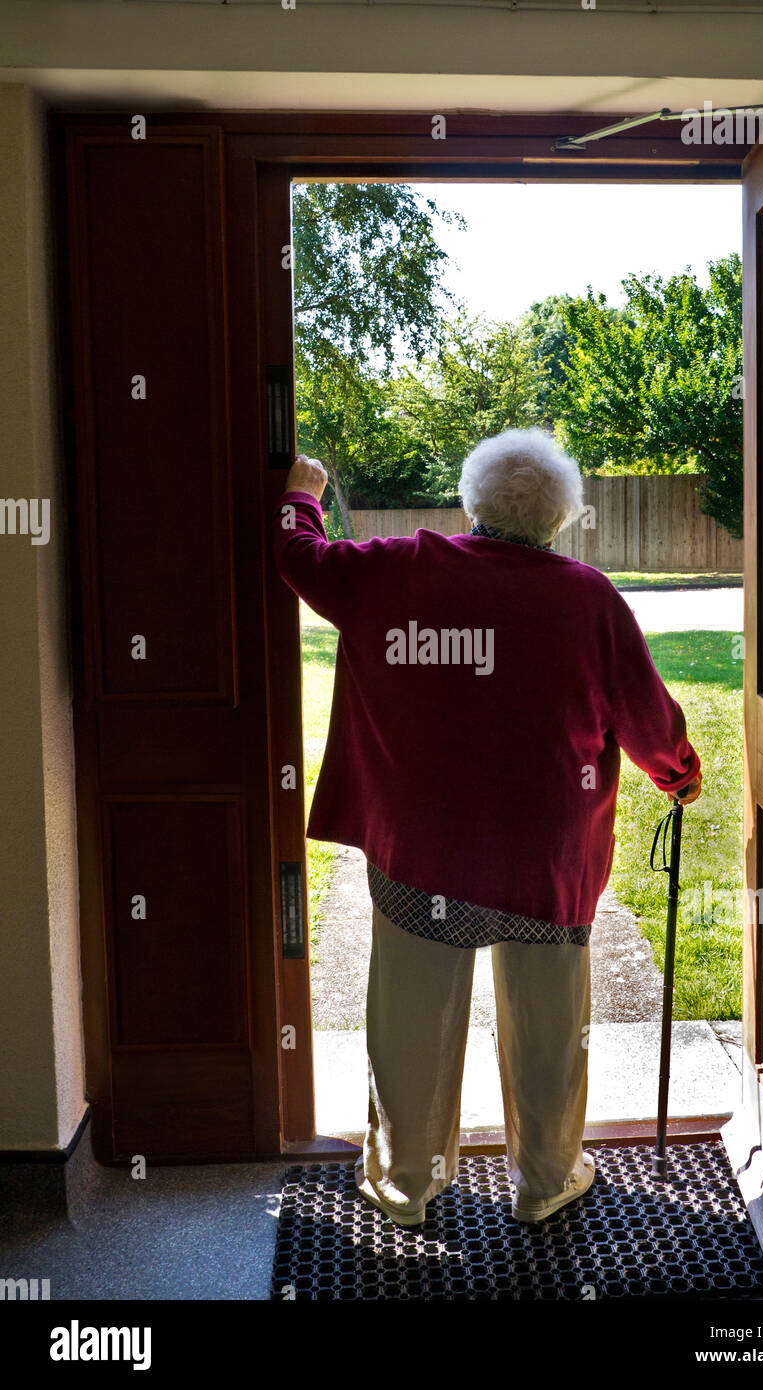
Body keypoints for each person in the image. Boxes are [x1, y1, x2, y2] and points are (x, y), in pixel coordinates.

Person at [273, 427, 702, 1227]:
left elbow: (299, 557)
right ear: (560, 517)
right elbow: (649, 721)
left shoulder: (396, 570)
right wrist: (680, 775)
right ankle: (546, 1183)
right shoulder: (588, 598)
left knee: (409, 1026)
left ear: (471, 500)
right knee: (546, 1032)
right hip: (545, 861)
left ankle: (406, 1184)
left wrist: (302, 489)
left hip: (421, 854)